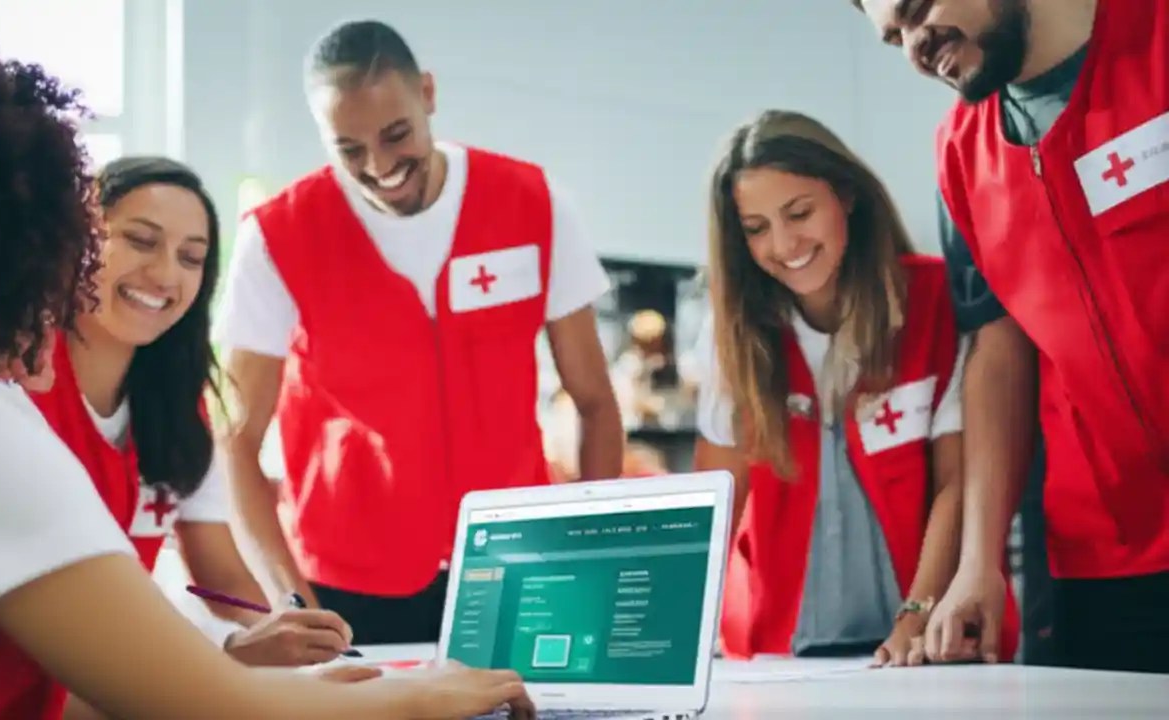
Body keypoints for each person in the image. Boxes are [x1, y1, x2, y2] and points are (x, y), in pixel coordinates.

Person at [0, 32, 534, 719]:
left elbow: (70, 698)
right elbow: (214, 706)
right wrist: (422, 699)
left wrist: (254, 674)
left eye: (191, 257)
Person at [216, 18, 623, 643]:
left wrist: (587, 556)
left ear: (428, 94)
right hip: (349, 588)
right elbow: (237, 442)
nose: (378, 166)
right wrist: (288, 596)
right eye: (348, 148)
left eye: (396, 134)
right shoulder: (276, 238)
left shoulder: (533, 203)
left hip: (516, 566)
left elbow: (594, 400)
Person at [854, 0, 1169, 672]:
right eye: (895, 38)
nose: (915, 46)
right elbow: (998, 354)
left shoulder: (1156, 40)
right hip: (1108, 553)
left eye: (915, 9)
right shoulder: (960, 155)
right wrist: (977, 562)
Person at [693, 110, 1018, 665]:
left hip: (919, 644)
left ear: (846, 195)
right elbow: (719, 497)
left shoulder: (935, 301)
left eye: (799, 213)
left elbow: (955, 485)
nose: (784, 243)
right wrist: (685, 631)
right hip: (777, 650)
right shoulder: (731, 332)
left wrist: (915, 616)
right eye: (756, 228)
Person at [28, 155, 354, 672]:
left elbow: (222, 579)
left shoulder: (178, 405)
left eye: (191, 257)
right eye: (140, 241)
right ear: (78, 241)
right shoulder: (16, 380)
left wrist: (299, 642)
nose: (164, 274)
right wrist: (227, 655)